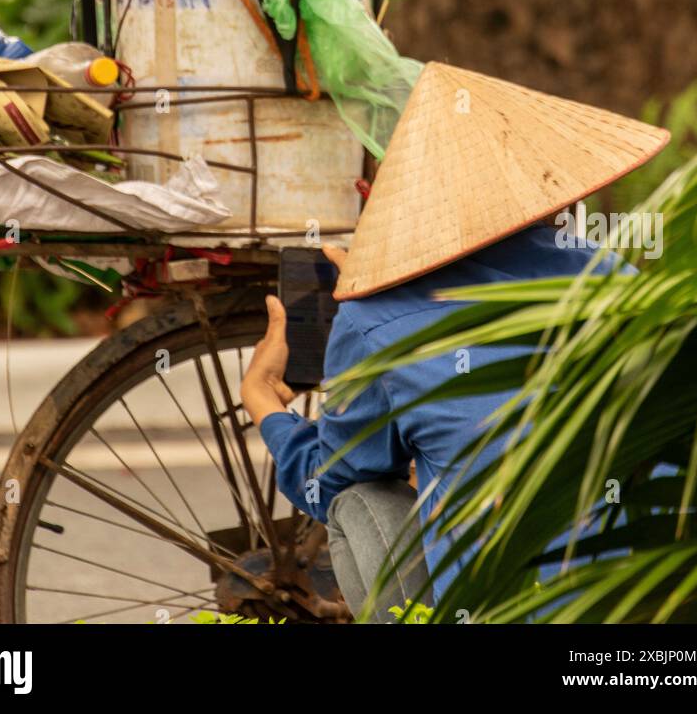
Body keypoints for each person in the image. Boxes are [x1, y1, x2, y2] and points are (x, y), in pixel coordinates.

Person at [240, 62, 669, 622]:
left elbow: (328, 481)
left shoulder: (373, 319)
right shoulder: (613, 277)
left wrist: (265, 402)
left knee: (356, 499)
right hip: (660, 606)